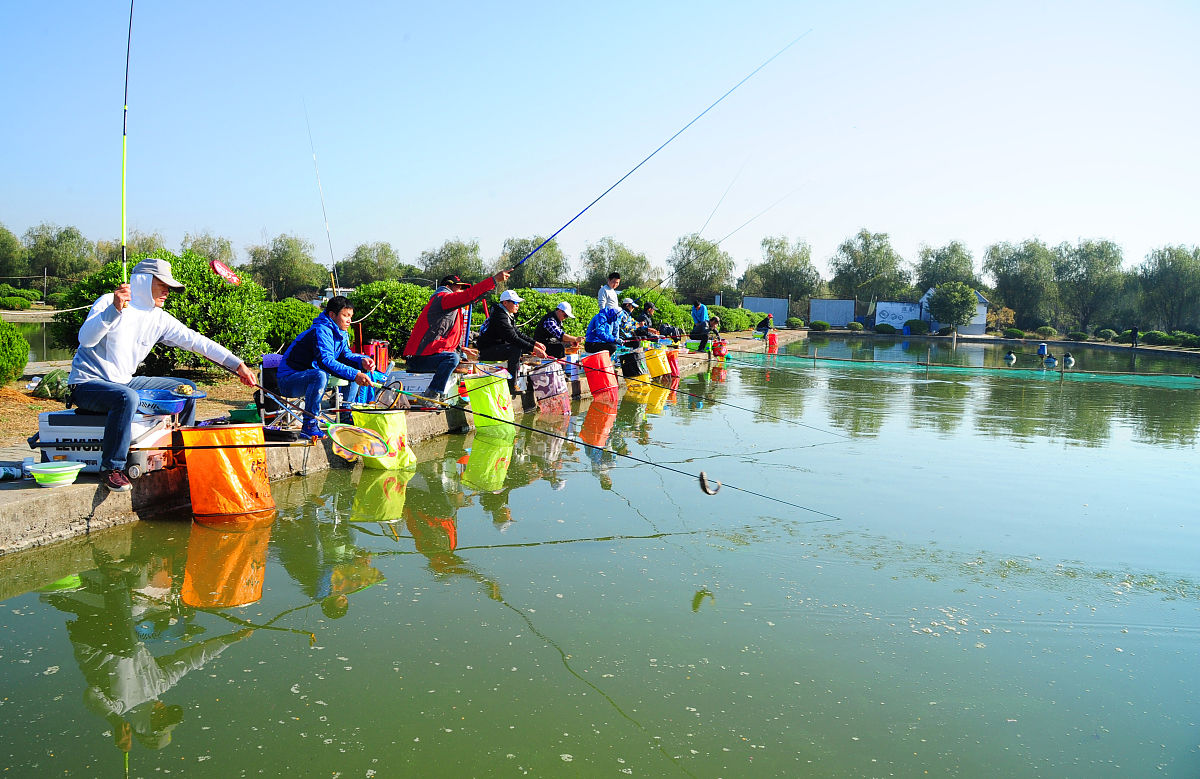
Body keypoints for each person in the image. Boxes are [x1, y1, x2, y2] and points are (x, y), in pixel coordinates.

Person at [68, 258, 257, 492]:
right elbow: (86, 340)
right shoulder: (110, 302)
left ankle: (180, 456)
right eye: (163, 285)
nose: (167, 292)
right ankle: (112, 469)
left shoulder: (159, 318)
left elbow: (197, 342)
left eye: (169, 287)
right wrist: (113, 311)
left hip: (125, 382)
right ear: (143, 281)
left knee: (186, 389)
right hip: (88, 385)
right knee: (126, 397)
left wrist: (237, 365)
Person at [403, 270, 511, 401]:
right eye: (459, 287)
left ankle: (454, 396)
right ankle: (432, 394)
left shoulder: (446, 304)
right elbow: (468, 296)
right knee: (452, 358)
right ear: (448, 287)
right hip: (417, 360)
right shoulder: (442, 299)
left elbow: (442, 337)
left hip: (428, 356)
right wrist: (494, 280)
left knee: (461, 357)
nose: (461, 291)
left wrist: (462, 349)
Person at [277, 296, 376, 439]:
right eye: (345, 316)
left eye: (351, 316)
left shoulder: (341, 332)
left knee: (353, 368)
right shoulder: (321, 330)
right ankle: (309, 425)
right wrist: (355, 374)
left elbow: (345, 356)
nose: (349, 320)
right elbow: (325, 361)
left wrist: (362, 361)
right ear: (332, 315)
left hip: (314, 378)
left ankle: (344, 416)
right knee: (321, 374)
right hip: (288, 381)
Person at [475, 289, 548, 394]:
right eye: (515, 303)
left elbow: (518, 333)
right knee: (516, 348)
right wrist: (534, 348)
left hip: (497, 347)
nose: (517, 305)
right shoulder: (500, 317)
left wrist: (535, 343)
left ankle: (517, 381)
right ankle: (512, 386)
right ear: (505, 303)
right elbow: (512, 338)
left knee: (519, 347)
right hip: (487, 351)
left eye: (518, 303)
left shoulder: (506, 314)